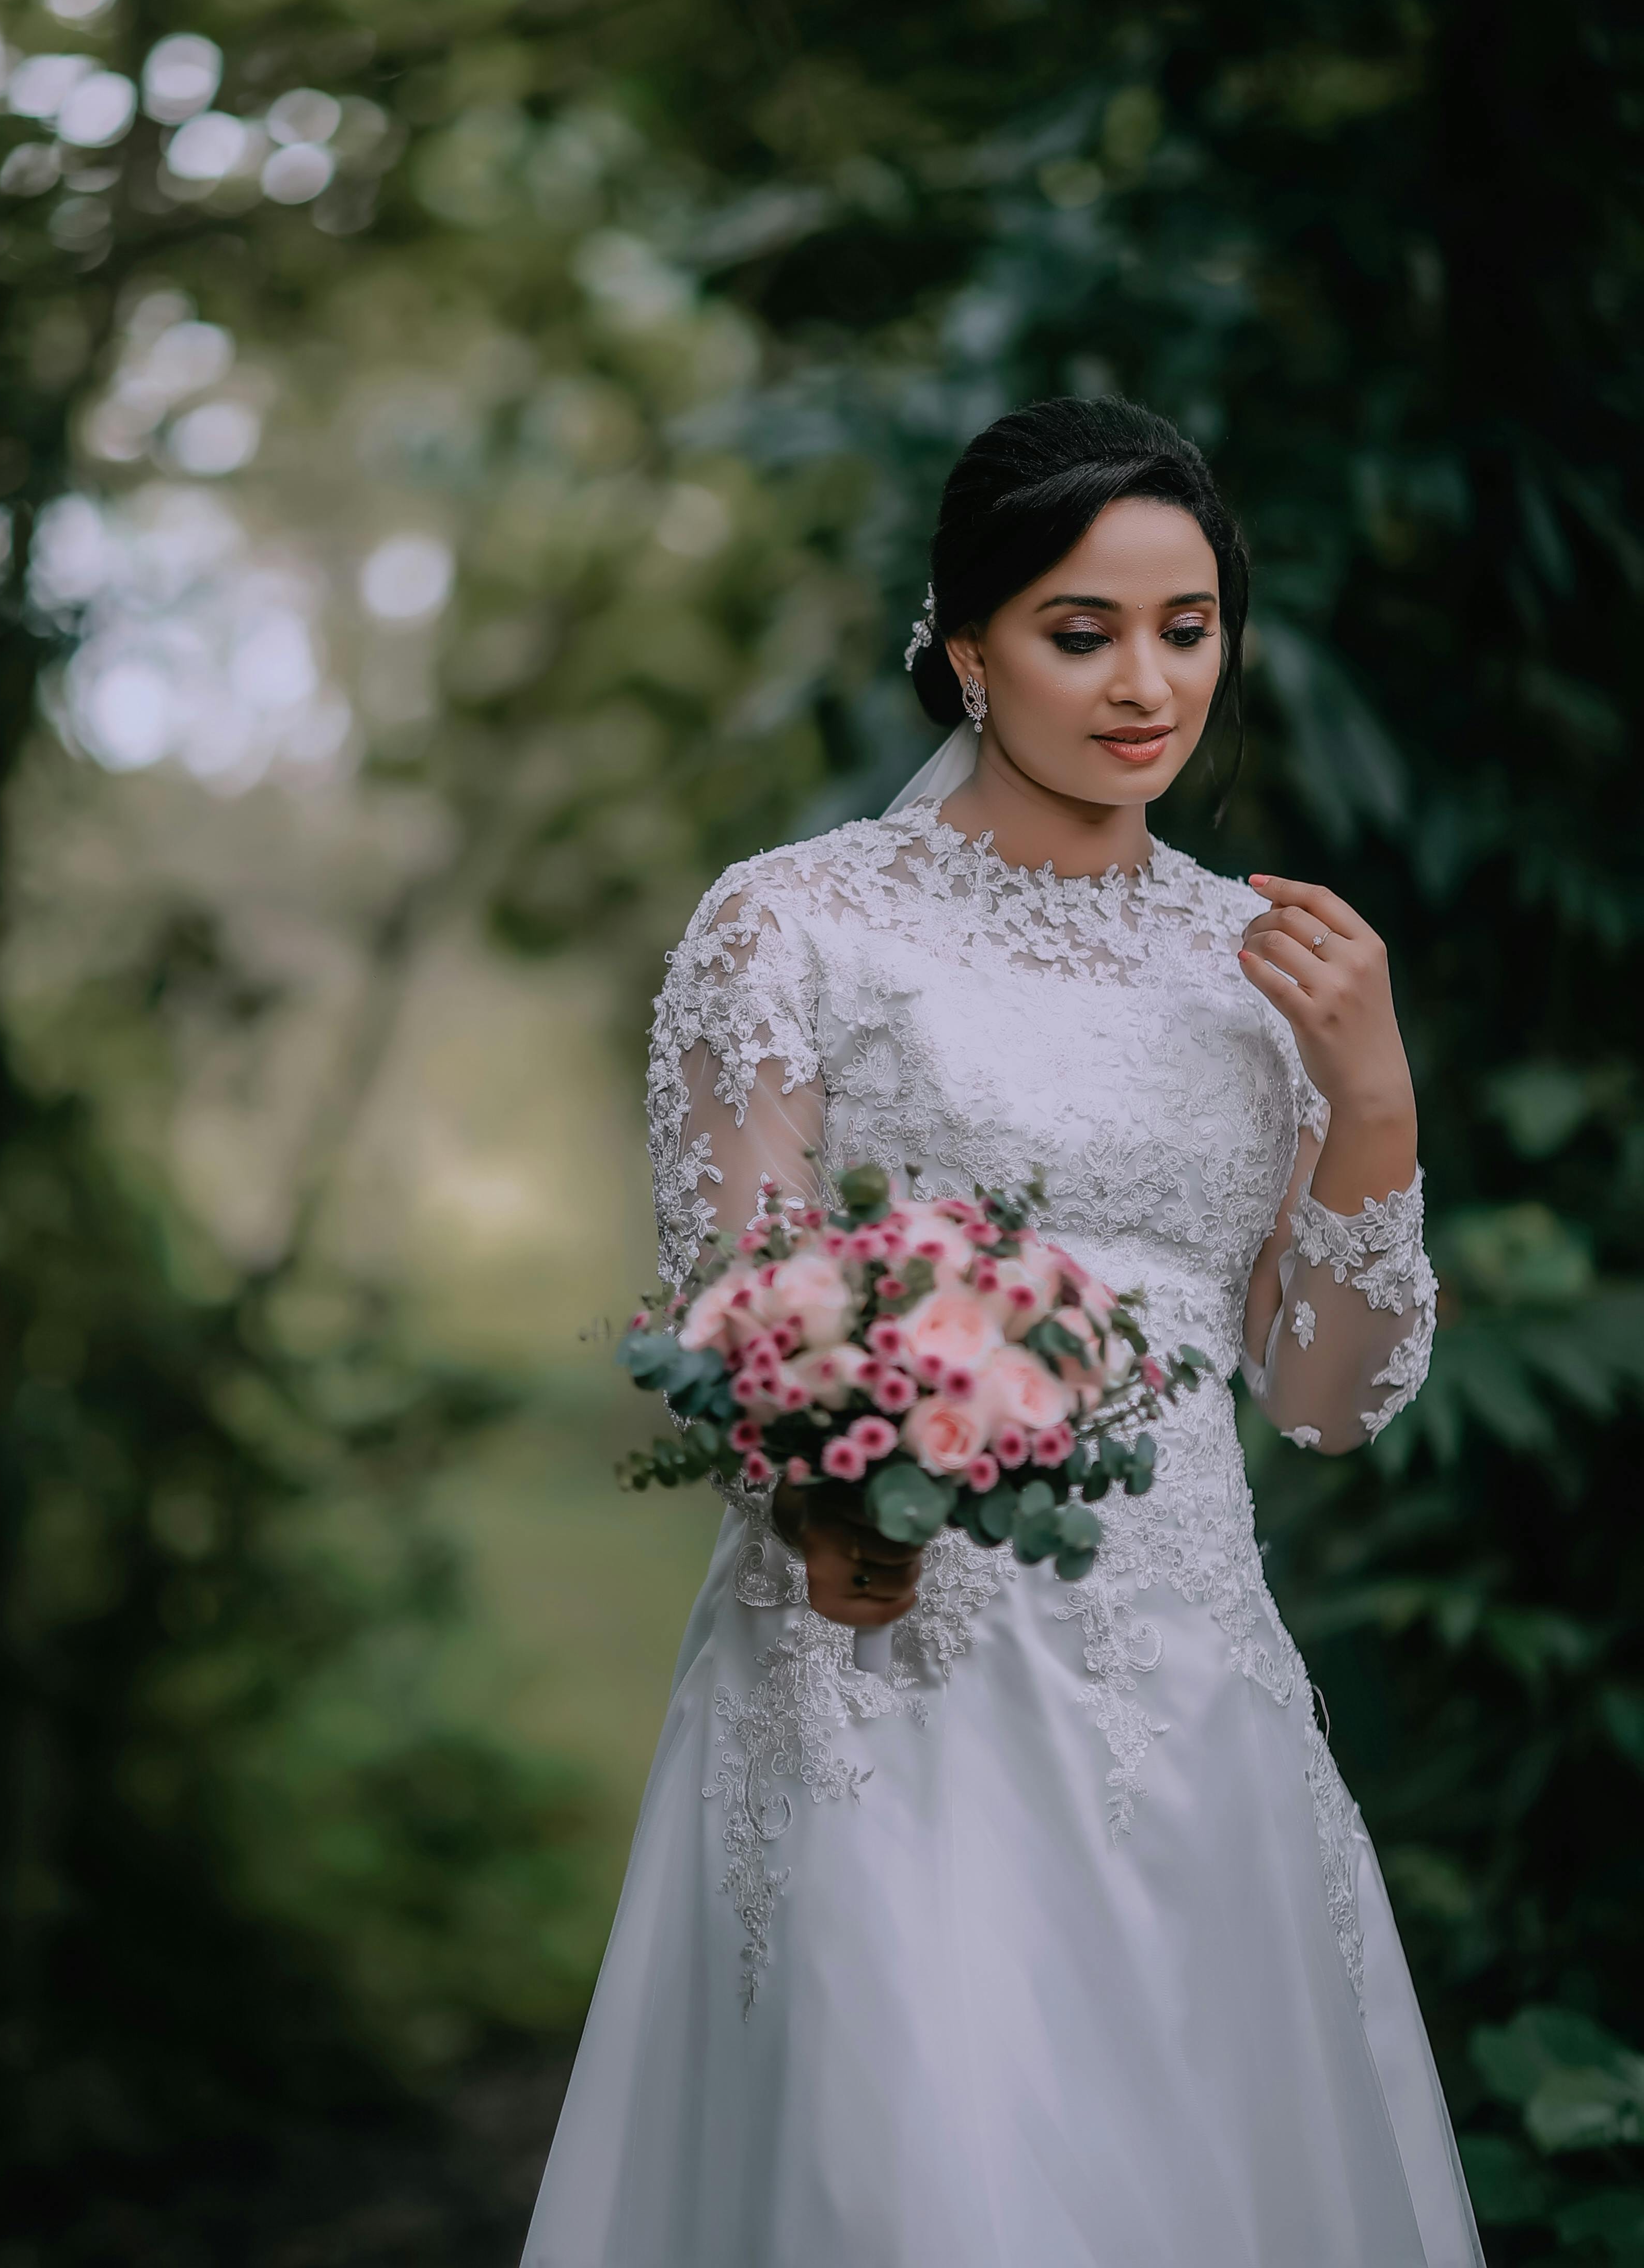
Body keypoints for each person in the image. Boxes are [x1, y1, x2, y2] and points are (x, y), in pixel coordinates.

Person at [521, 401, 1483, 2268]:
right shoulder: (793, 930)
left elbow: (1326, 1400)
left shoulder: (1266, 968)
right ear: (968, 645)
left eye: (1187, 628)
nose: (1147, 685)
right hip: (883, 1677)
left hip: (1198, 1707)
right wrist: (830, 1509)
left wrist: (1373, 1096)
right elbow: (745, 1330)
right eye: (1081, 631)